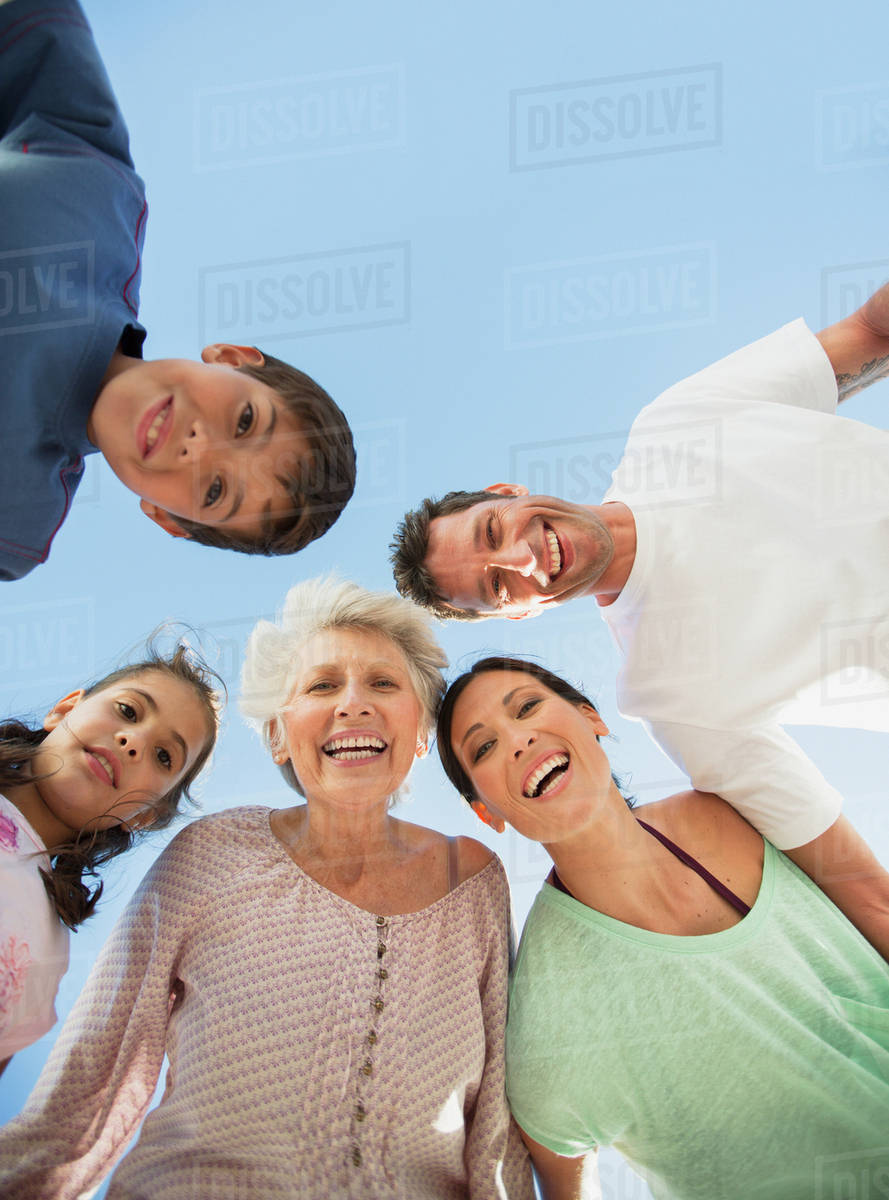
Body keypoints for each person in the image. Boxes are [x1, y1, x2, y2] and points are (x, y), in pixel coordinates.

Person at [391, 280, 889, 956]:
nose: (522, 558)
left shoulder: (674, 420)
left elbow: (870, 333)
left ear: (507, 493)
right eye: (497, 586)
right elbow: (861, 889)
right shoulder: (668, 695)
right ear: (517, 617)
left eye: (490, 531)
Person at [0, 578, 533, 1200]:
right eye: (322, 685)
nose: (353, 704)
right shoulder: (211, 852)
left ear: (420, 731)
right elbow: (97, 1070)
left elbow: (498, 1124)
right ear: (279, 735)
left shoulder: (474, 881)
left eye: (384, 684)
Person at [437, 655, 889, 1200]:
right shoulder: (545, 1033)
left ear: (592, 718)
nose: (517, 740)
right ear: (486, 812)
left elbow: (876, 903)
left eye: (528, 707)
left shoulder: (739, 805)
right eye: (483, 747)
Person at [0, 0, 355, 581]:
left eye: (216, 491)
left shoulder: (14, 528)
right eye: (244, 421)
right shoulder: (101, 195)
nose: (197, 446)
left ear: (169, 520)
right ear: (234, 358)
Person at [0, 640, 220, 1074]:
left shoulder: (48, 954)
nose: (132, 740)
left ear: (145, 816)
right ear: (64, 710)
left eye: (163, 756)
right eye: (128, 711)